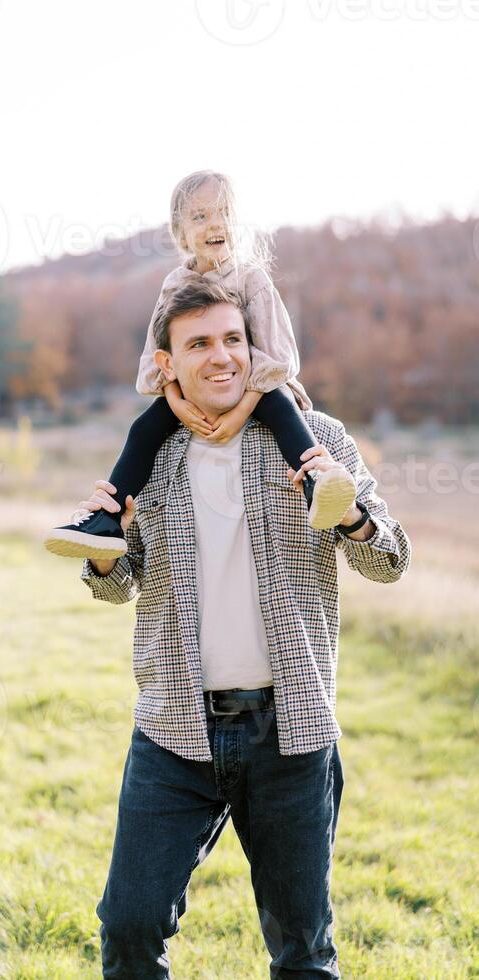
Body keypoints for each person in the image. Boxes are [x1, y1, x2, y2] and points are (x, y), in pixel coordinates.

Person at [77, 276, 411, 978]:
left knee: (302, 950)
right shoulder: (151, 454)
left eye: (233, 339)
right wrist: (105, 551)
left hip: (290, 730)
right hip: (173, 729)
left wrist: (350, 515)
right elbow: (116, 585)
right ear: (166, 362)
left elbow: (389, 562)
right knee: (129, 925)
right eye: (199, 343)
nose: (222, 356)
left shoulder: (316, 441)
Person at [43, 169, 356, 560]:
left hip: (258, 389)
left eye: (224, 213)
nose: (215, 224)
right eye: (200, 216)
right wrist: (176, 403)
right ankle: (107, 518)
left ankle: (316, 483)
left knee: (282, 407)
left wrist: (238, 414)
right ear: (181, 233)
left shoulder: (251, 279)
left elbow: (277, 359)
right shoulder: (175, 285)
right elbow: (157, 358)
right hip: (193, 394)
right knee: (144, 428)